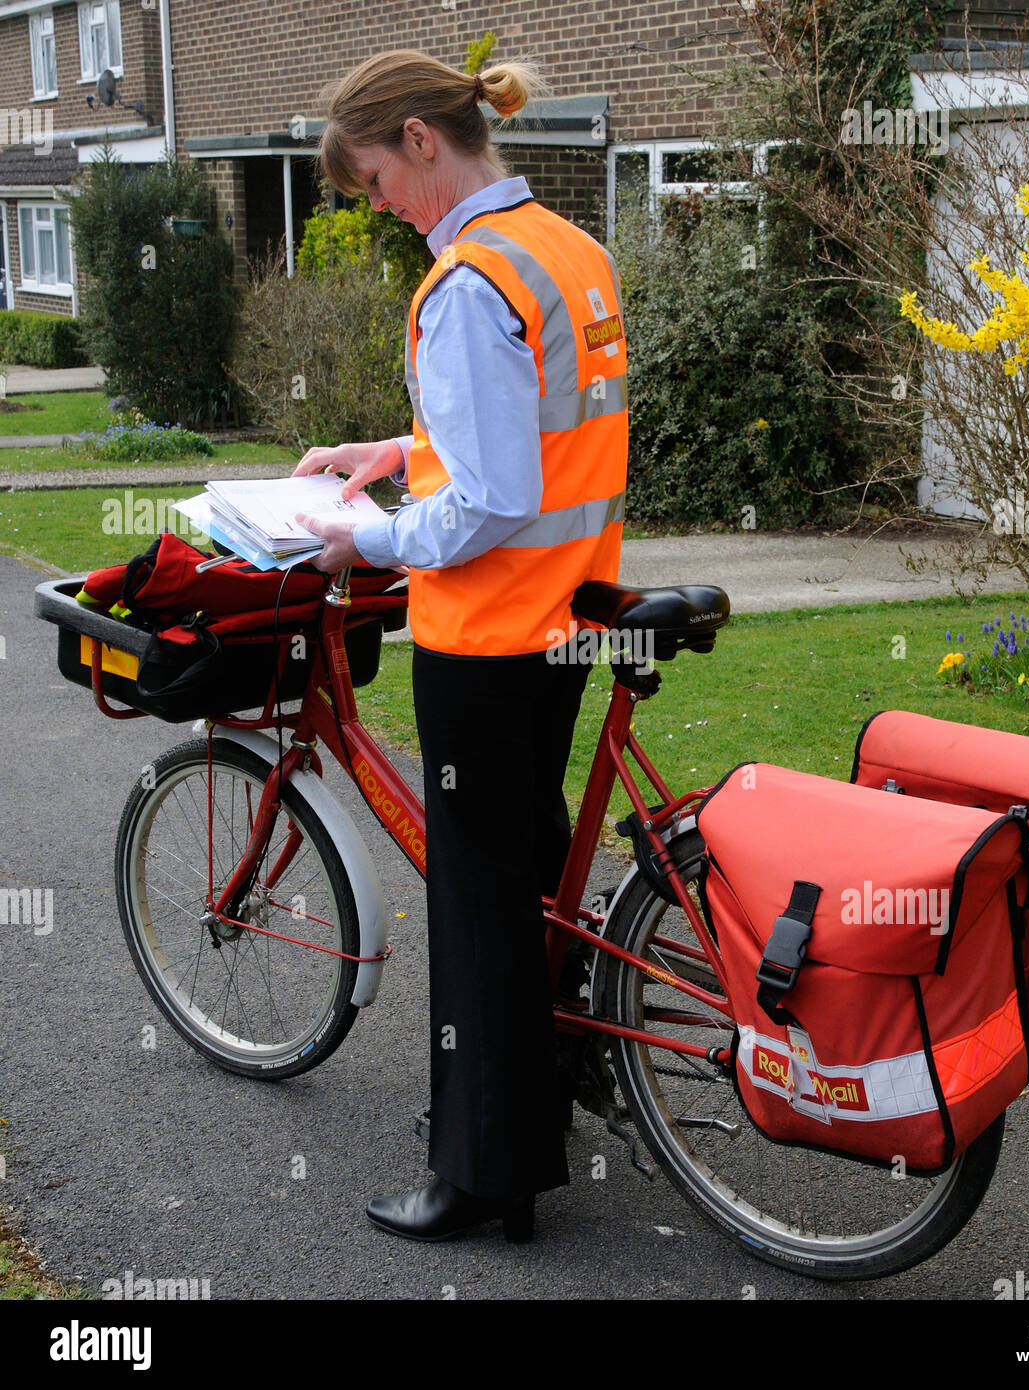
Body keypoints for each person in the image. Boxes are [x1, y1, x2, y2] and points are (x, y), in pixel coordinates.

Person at [291, 49, 628, 1244]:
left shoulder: (468, 282)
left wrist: (368, 538)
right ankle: (534, 1103)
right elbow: (524, 430)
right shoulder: (566, 250)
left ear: (421, 141)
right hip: (565, 617)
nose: (379, 205)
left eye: (376, 181)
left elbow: (486, 497)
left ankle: (484, 1177)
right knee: (527, 876)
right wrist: (395, 452)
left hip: (483, 633)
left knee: (478, 910)